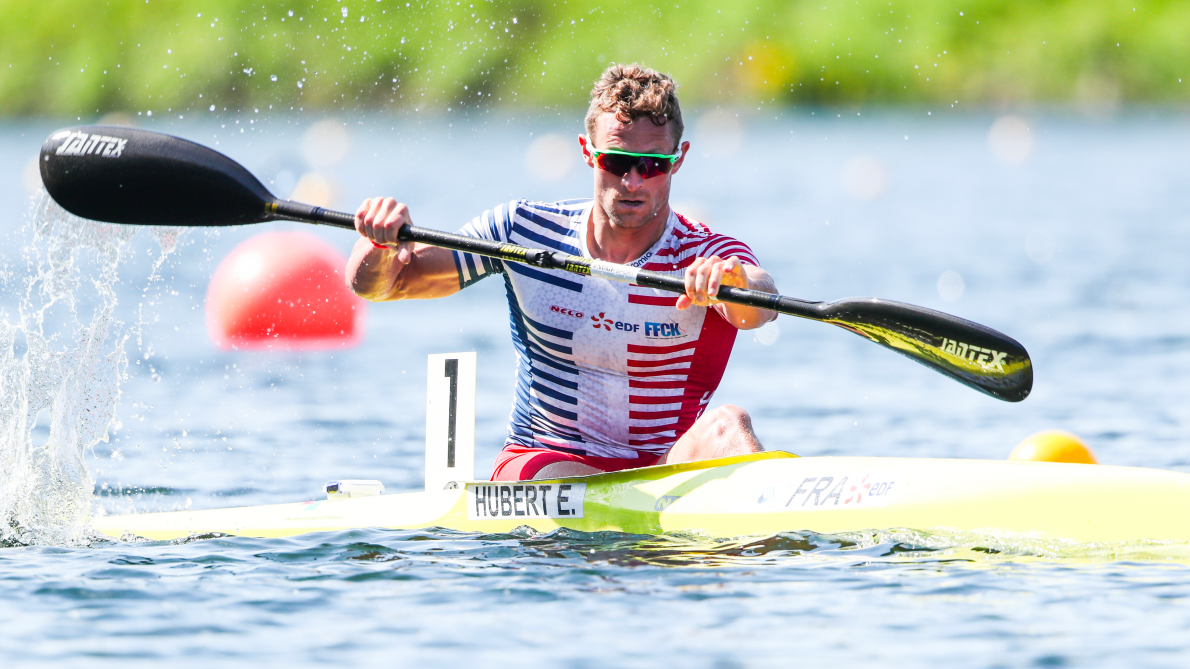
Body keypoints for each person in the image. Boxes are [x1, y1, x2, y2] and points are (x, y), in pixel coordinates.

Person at [346, 63, 778, 481]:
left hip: (664, 466)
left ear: (678, 160)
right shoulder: (522, 230)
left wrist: (734, 282)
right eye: (615, 162)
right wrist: (380, 245)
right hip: (546, 460)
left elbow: (762, 304)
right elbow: (383, 287)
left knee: (729, 426)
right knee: (564, 478)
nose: (632, 182)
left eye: (652, 165)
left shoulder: (706, 252)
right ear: (588, 152)